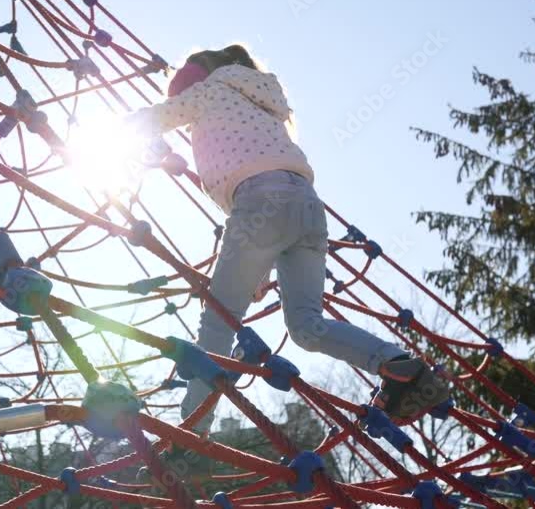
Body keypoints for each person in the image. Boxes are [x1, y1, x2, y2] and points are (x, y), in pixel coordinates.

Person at [126, 45, 450, 435]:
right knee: (306, 326)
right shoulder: (261, 99)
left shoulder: (209, 91)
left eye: (181, 95)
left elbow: (153, 119)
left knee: (218, 322)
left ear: (196, 84)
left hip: (258, 198)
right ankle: (399, 365)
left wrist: (104, 129)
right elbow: (270, 222)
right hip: (308, 208)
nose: (182, 107)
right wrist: (257, 275)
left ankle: (192, 428)